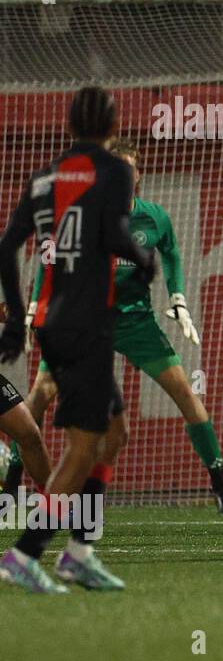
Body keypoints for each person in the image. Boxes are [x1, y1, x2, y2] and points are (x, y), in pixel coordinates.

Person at [0, 86, 156, 593]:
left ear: (69, 124)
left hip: (53, 321)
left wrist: (10, 323)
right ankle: (25, 554)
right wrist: (145, 257)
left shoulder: (43, 178)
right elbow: (115, 237)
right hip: (85, 324)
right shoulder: (113, 171)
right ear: (112, 126)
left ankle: (80, 553)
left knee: (115, 435)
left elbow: (6, 248)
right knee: (85, 446)